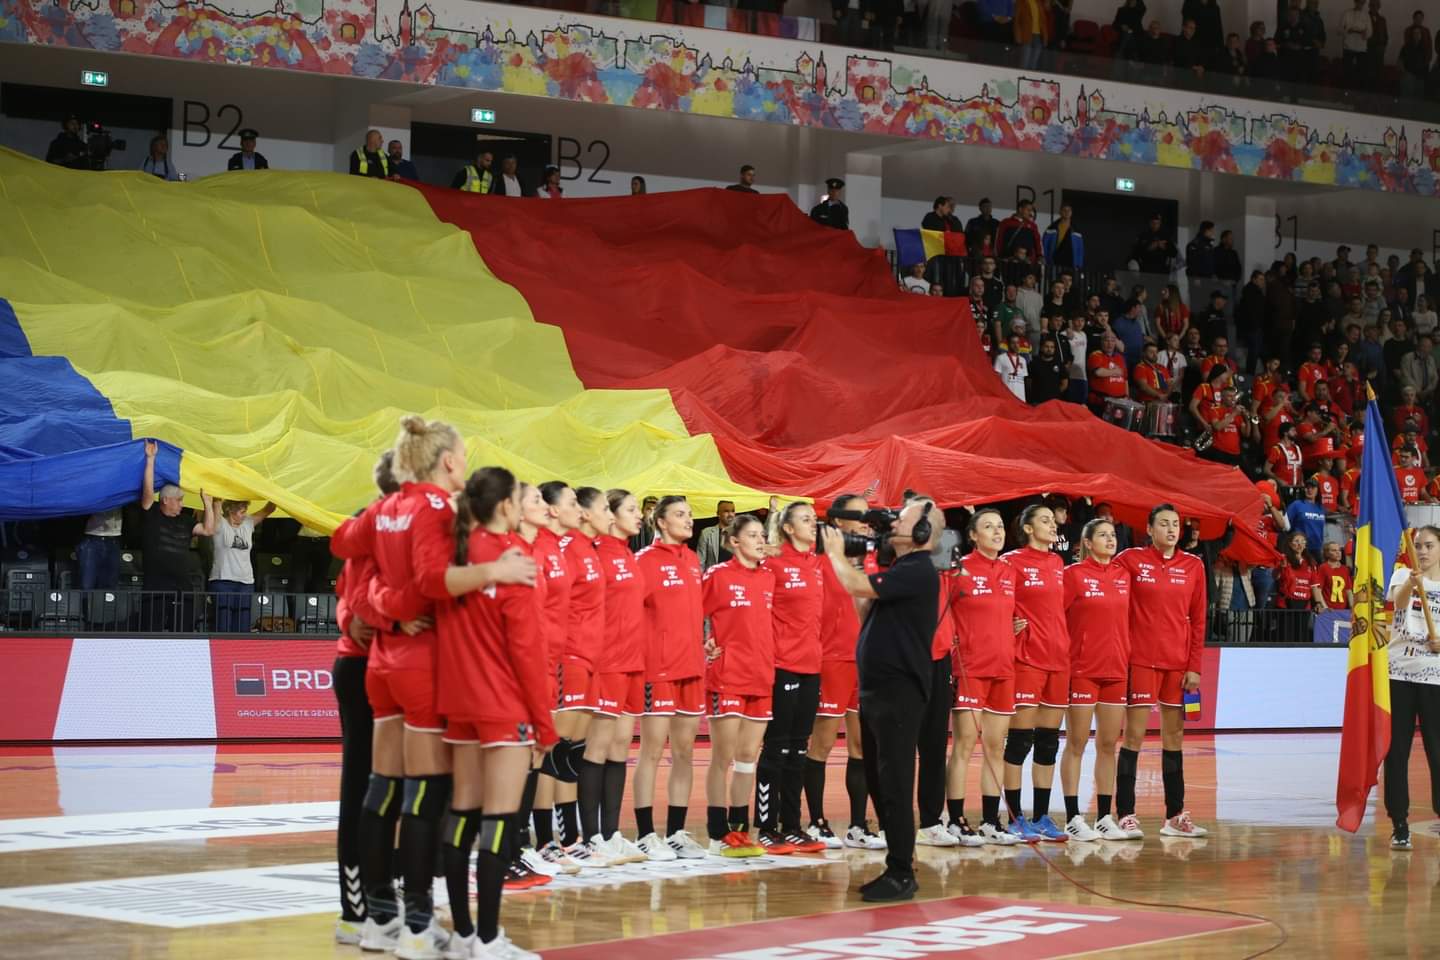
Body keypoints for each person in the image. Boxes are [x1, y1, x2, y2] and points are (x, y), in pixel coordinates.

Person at [328, 416, 536, 956]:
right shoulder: (435, 508)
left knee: (383, 787)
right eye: (463, 457)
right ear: (447, 461)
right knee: (424, 795)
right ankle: (420, 927)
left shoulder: (384, 508)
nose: (465, 466)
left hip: (382, 664)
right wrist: (496, 573)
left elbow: (342, 541)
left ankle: (378, 919)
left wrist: (380, 606)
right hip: (423, 666)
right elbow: (429, 583)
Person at [438, 466, 556, 960]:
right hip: (504, 706)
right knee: (498, 821)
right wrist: (545, 725)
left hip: (459, 703)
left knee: (462, 814)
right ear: (506, 507)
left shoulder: (457, 559)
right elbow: (527, 652)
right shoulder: (515, 562)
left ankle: (464, 933)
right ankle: (487, 939)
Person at [819, 499, 941, 902]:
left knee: (895, 780)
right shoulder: (900, 570)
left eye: (901, 520)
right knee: (877, 778)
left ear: (923, 533)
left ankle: (902, 871)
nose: (891, 524)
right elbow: (863, 606)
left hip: (899, 692)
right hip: (877, 689)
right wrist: (857, 563)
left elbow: (855, 588)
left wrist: (837, 555)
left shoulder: (920, 571)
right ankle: (896, 861)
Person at [331, 451, 399, 947]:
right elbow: (354, 611)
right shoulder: (369, 527)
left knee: (392, 790)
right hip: (362, 666)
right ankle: (356, 909)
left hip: (390, 668)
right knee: (363, 788)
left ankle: (383, 898)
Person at [1113, 505, 1209, 839]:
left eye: (1176, 524)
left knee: (1174, 739)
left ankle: (1175, 816)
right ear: (1149, 528)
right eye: (1164, 524)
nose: (1171, 529)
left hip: (1177, 665)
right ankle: (1125, 813)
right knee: (1134, 737)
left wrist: (1194, 666)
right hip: (1139, 660)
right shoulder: (1129, 560)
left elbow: (1198, 620)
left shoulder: (1194, 565)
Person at [805, 496, 886, 850]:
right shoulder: (820, 560)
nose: (866, 520)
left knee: (861, 746)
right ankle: (816, 822)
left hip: (866, 661)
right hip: (830, 659)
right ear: (838, 523)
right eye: (858, 515)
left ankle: (856, 824)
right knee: (821, 744)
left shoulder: (873, 560)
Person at [633, 496, 709, 859]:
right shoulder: (644, 561)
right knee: (651, 752)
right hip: (657, 670)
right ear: (660, 522)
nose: (688, 520)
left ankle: (677, 832)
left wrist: (702, 643)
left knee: (684, 753)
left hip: (692, 667)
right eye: (680, 515)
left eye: (690, 514)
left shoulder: (693, 560)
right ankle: (646, 834)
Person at [945, 508, 1024, 847]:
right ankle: (956, 819)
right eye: (988, 527)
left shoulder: (1010, 571)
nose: (997, 532)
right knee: (964, 744)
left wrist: (1012, 629)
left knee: (995, 747)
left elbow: (1006, 614)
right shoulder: (957, 569)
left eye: (1000, 527)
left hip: (1004, 668)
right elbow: (942, 612)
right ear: (973, 535)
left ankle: (991, 821)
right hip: (969, 668)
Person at [753, 503, 828, 853]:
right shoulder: (772, 563)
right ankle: (767, 827)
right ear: (786, 528)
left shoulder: (818, 563)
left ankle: (793, 825)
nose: (813, 524)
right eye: (805, 519)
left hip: (813, 665)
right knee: (776, 748)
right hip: (781, 665)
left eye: (814, 519)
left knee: (800, 748)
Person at [584, 490, 653, 862]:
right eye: (630, 509)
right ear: (610, 516)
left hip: (632, 663)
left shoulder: (628, 554)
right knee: (597, 748)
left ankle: (610, 833)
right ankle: (590, 836)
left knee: (620, 748)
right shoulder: (596, 553)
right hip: (606, 663)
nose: (638, 515)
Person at [702, 514, 775, 858]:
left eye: (763, 535)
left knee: (748, 758)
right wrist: (702, 642)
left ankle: (740, 830)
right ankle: (717, 832)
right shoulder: (717, 576)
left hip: (762, 678)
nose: (761, 541)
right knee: (724, 756)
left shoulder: (769, 578)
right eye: (753, 536)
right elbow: (688, 612)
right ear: (734, 542)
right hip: (727, 678)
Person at [555, 487, 620, 863]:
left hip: (591, 659)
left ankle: (568, 838)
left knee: (571, 752)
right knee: (555, 751)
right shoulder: (568, 550)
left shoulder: (591, 551)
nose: (609, 516)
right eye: (603, 510)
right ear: (583, 513)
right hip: (571, 657)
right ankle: (547, 838)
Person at [999, 504, 1069, 841]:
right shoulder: (1010, 561)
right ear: (1027, 528)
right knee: (1019, 742)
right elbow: (995, 602)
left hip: (1058, 660)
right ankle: (1015, 818)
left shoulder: (1058, 563)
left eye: (1052, 520)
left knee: (1046, 744)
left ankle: (1042, 816)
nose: (1052, 525)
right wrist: (1005, 626)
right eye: (1044, 520)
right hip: (1027, 659)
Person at [1060, 519, 1132, 841]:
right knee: (1076, 743)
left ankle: (1104, 816)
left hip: (1116, 671)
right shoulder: (1072, 576)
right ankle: (1073, 817)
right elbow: (1052, 617)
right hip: (1082, 671)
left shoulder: (1123, 576)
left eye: (1113, 535)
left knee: (1107, 745)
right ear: (1087, 542)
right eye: (1102, 535)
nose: (1110, 539)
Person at [1384, 525, 1440, 850]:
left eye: (1429, 546)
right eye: (1418, 545)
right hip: (1400, 674)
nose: (1422, 551)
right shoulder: (1402, 575)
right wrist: (1411, 583)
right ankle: (1400, 823)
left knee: (1437, 749)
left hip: (1434, 678)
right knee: (1397, 751)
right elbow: (1399, 603)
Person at [140, 440, 214, 631]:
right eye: (179, 500)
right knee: (152, 633)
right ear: (165, 500)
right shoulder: (153, 514)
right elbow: (147, 493)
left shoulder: (186, 521)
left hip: (183, 589)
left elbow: (208, 530)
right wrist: (151, 460)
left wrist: (208, 503)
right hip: (155, 590)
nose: (182, 504)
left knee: (182, 634)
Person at [209, 497, 277, 632]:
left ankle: (239, 653)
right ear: (229, 510)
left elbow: (269, 509)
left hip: (245, 582)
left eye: (245, 511)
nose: (245, 514)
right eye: (242, 511)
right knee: (223, 626)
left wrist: (273, 492)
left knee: (242, 626)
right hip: (223, 581)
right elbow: (216, 504)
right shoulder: (220, 523)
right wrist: (217, 500)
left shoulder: (248, 523)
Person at [77, 508, 123, 591]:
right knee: (87, 584)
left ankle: (104, 604)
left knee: (110, 585)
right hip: (92, 538)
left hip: (113, 539)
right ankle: (86, 603)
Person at [698, 500, 737, 569]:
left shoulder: (741, 534)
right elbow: (700, 563)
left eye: (732, 511)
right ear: (718, 514)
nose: (730, 514)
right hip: (714, 578)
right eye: (726, 511)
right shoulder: (706, 533)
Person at [1317, 541, 1353, 610]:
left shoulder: (1345, 569)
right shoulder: (1323, 568)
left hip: (1342, 611)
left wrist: (1352, 606)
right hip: (1329, 610)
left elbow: (1348, 591)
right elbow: (1318, 590)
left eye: (1339, 550)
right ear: (1327, 553)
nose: (1338, 552)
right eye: (1334, 550)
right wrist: (1325, 608)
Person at [994, 335, 1029, 401]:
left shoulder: (1023, 360)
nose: (1016, 345)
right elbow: (996, 378)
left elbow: (1024, 379)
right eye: (1013, 343)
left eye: (1017, 342)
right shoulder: (1001, 358)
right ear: (1008, 344)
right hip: (1006, 397)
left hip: (1020, 397)